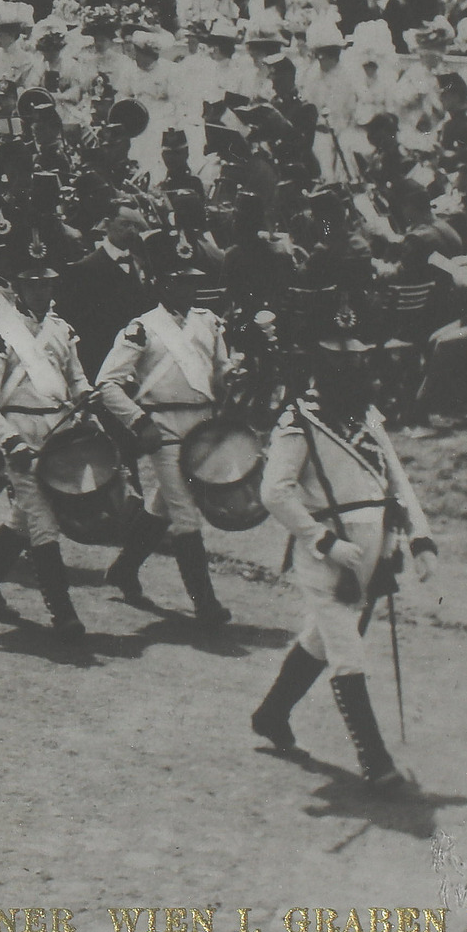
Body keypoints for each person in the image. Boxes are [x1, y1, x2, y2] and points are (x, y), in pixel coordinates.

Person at [250, 374, 437, 792]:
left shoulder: (367, 415)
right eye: (341, 360)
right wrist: (323, 540)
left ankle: (271, 714)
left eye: (358, 359)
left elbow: (397, 482)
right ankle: (376, 762)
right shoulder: (299, 420)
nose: (354, 366)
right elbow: (274, 492)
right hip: (327, 557)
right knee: (347, 652)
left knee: (322, 639)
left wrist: (420, 539)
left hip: (374, 553)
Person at [0, 232, 95, 645]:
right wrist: (8, 440)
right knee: (42, 521)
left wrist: (86, 398)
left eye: (46, 284)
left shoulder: (62, 330)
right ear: (18, 288)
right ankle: (63, 612)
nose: (40, 292)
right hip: (20, 435)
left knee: (25, 516)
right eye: (32, 285)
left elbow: (76, 378)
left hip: (58, 432)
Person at [88, 249, 236, 627]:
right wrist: (139, 422)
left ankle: (124, 568)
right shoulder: (142, 328)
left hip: (202, 426)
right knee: (185, 510)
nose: (189, 289)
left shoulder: (210, 323)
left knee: (163, 505)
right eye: (180, 282)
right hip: (163, 426)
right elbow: (107, 383)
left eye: (193, 282)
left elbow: (221, 371)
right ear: (161, 285)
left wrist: (233, 378)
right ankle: (205, 604)